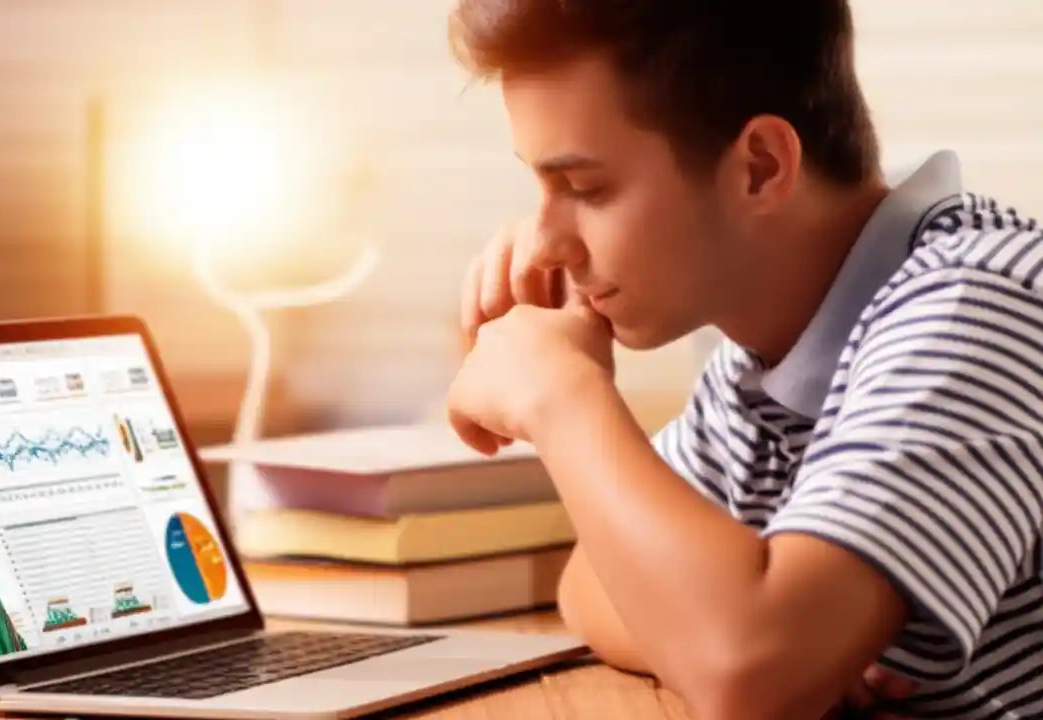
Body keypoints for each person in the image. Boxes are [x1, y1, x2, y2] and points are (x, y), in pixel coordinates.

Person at [443, 2, 1043, 718]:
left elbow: (746, 677)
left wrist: (562, 396)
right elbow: (591, 586)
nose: (542, 245)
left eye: (585, 188)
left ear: (760, 167)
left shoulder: (982, 304)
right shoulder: (762, 362)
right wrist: (736, 639)